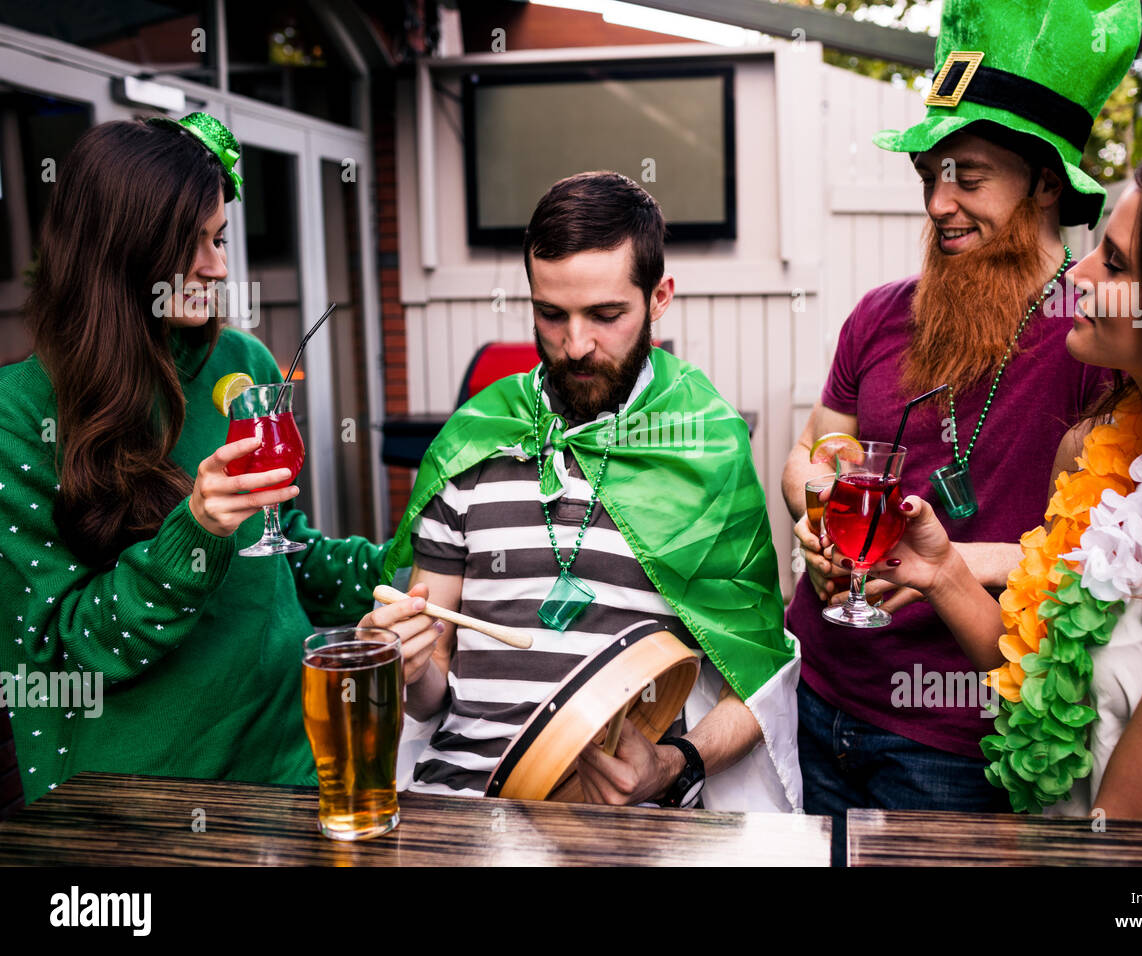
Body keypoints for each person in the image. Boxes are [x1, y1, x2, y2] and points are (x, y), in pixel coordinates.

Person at [781, 0, 1141, 858]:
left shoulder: (1102, 338)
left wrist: (940, 562)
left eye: (968, 178)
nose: (938, 203)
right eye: (930, 176)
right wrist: (824, 512)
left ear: (1046, 183)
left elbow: (1107, 560)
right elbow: (812, 448)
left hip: (954, 737)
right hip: (818, 694)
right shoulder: (880, 313)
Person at [871, 135, 1142, 824]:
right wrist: (942, 572)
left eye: (1118, 264)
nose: (1079, 274)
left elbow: (1125, 832)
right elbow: (1044, 676)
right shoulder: (1096, 458)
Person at [0, 114, 428, 802]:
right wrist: (195, 529)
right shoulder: (19, 414)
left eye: (219, 238)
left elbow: (285, 558)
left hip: (295, 764)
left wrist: (418, 561)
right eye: (188, 242)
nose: (218, 267)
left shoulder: (242, 362)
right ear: (115, 249)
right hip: (144, 801)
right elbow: (64, 651)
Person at [378, 172, 801, 811]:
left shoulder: (704, 447)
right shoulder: (475, 440)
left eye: (606, 315)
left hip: (629, 824)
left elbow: (757, 676)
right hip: (463, 808)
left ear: (659, 298)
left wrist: (673, 766)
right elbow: (432, 684)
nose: (575, 346)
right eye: (550, 315)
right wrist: (410, 668)